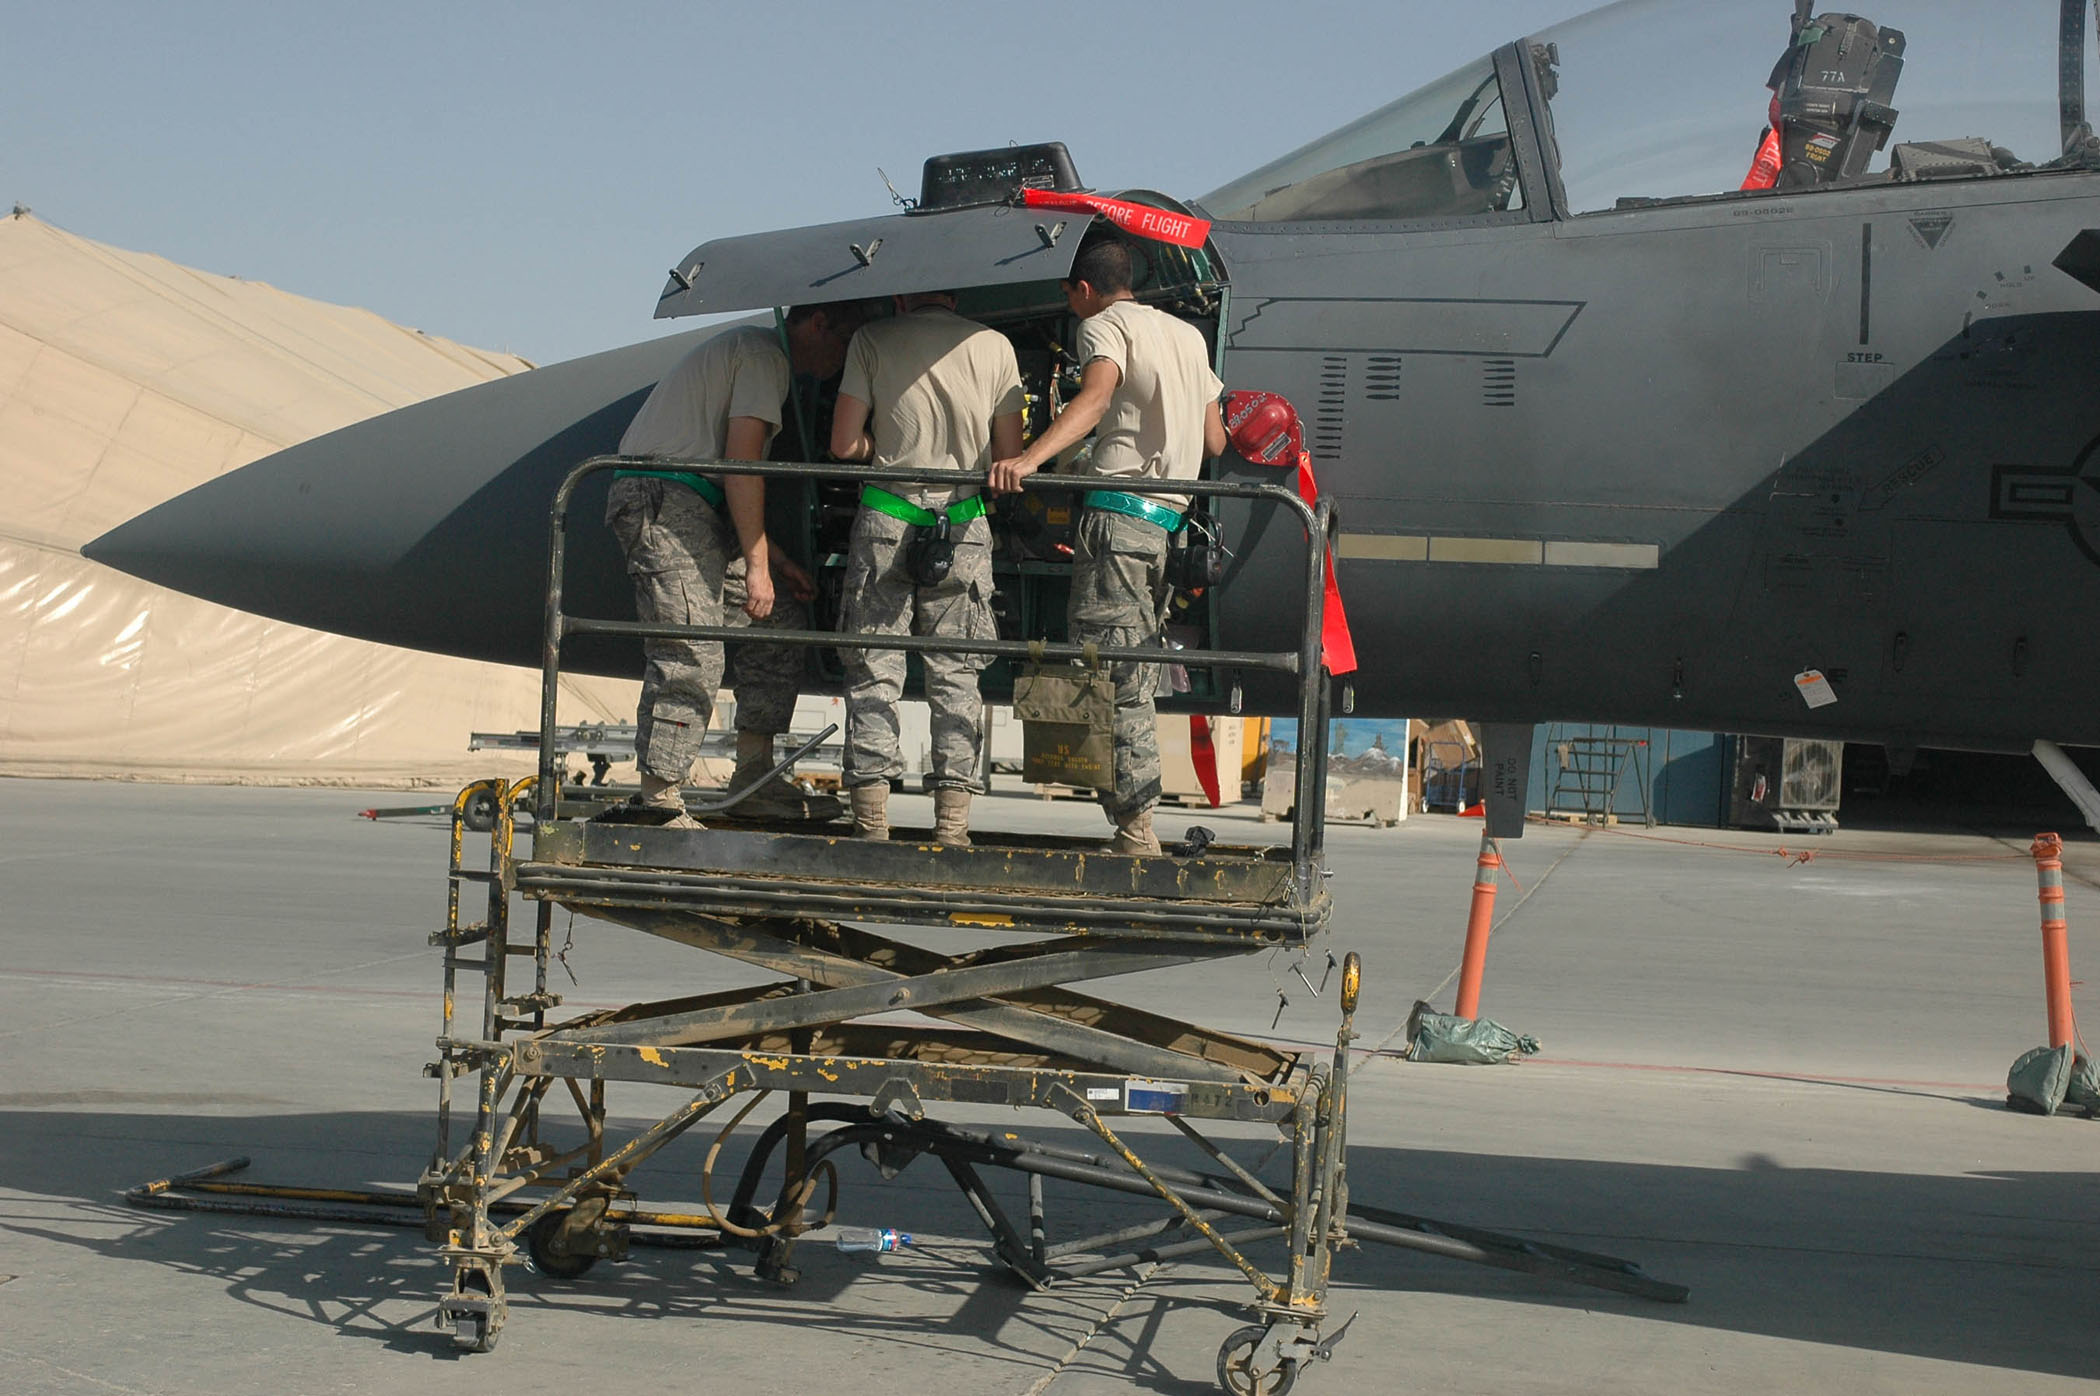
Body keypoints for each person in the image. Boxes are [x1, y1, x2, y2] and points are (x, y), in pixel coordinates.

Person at [989, 239, 1226, 854]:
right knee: (1136, 669)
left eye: (1067, 296)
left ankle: (1136, 827)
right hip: (1165, 526)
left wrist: (1028, 460)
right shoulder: (1187, 337)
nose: (1070, 308)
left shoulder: (1104, 327)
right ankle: (1135, 817)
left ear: (1085, 291)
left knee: (1110, 670)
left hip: (1118, 521)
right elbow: (1215, 440)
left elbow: (1094, 400)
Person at [604, 303, 862, 827]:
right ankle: (656, 798)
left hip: (694, 505)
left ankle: (753, 775)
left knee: (778, 619)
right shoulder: (765, 357)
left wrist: (772, 560)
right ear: (818, 325)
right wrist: (757, 565)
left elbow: (730, 479)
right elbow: (742, 464)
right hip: (663, 496)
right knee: (691, 647)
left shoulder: (755, 354)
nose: (842, 362)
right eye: (845, 344)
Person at [830, 292, 1025, 844]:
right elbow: (1009, 453)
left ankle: (870, 822)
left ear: (901, 293)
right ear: (960, 292)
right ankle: (952, 826)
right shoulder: (994, 346)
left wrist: (883, 445)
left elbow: (843, 444)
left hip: (887, 516)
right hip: (961, 523)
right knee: (957, 677)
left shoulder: (871, 340)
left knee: (873, 670)